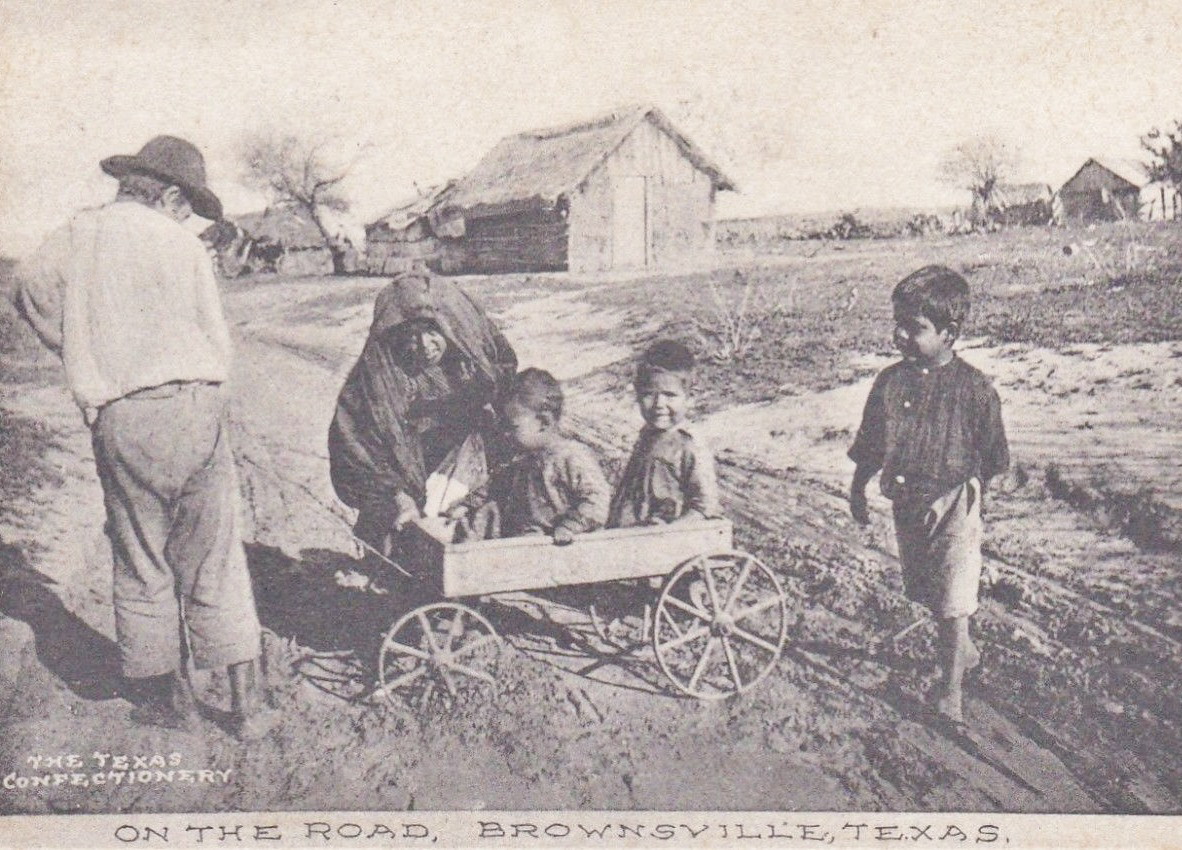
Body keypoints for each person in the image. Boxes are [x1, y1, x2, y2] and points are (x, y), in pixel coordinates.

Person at [16, 135, 267, 738]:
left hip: (126, 413)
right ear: (172, 197)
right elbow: (214, 334)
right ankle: (249, 709)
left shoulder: (82, 232)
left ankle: (174, 704)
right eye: (188, 207)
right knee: (216, 559)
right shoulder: (184, 245)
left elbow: (26, 288)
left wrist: (77, 344)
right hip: (198, 404)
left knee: (142, 559)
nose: (187, 218)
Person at [848, 265, 1009, 725]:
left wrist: (978, 500)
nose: (900, 336)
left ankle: (949, 691)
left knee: (953, 596)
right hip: (907, 501)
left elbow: (993, 454)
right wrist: (858, 486)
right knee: (925, 588)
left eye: (914, 327)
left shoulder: (974, 388)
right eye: (897, 324)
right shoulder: (890, 383)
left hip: (954, 501)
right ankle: (962, 649)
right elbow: (872, 441)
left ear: (949, 333)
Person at [328, 271, 517, 559]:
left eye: (432, 332)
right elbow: (358, 447)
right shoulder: (379, 378)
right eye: (412, 335)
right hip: (398, 477)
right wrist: (398, 496)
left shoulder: (473, 361)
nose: (424, 345)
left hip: (460, 467)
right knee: (398, 540)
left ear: (450, 328)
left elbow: (508, 404)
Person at [608, 340, 720, 528]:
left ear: (690, 398)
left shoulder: (688, 444)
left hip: (667, 535)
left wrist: (672, 531)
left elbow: (704, 505)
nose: (659, 404)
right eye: (649, 394)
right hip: (634, 531)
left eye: (670, 395)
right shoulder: (646, 436)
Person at [494, 368, 610, 544]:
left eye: (512, 427)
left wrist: (570, 526)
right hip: (533, 543)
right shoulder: (523, 459)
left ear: (543, 422)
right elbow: (499, 489)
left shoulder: (571, 456)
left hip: (569, 546)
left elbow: (596, 499)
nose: (506, 433)